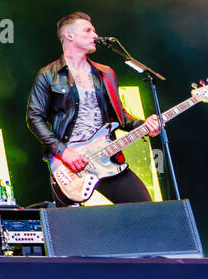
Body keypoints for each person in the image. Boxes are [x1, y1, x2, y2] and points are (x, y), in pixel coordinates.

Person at [26, 11, 160, 205]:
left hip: (107, 158)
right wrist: (63, 152)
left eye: (94, 31)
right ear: (69, 35)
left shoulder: (106, 73)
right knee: (71, 230)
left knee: (147, 212)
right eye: (88, 30)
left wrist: (143, 124)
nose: (95, 36)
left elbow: (119, 115)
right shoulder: (48, 74)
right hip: (69, 165)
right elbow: (34, 117)